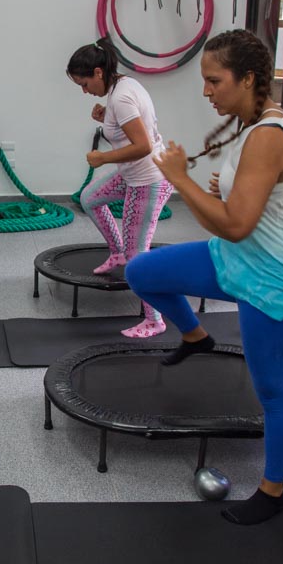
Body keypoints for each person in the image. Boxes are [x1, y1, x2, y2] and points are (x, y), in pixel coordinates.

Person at [126, 29, 283, 525]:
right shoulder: (258, 123)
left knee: (273, 391)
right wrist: (227, 188)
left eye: (214, 81)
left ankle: (272, 493)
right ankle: (197, 336)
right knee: (142, 271)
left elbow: (233, 224)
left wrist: (179, 178)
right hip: (235, 258)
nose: (206, 91)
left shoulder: (269, 135)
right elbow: (255, 206)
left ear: (248, 79)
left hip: (273, 278)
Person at [67, 37, 173, 338]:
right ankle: (118, 252)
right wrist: (107, 118)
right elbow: (131, 128)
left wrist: (102, 158)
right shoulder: (122, 87)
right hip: (132, 175)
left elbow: (143, 145)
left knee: (138, 253)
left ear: (98, 72)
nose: (85, 91)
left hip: (149, 179)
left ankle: (155, 320)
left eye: (85, 84)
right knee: (90, 197)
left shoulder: (121, 98)